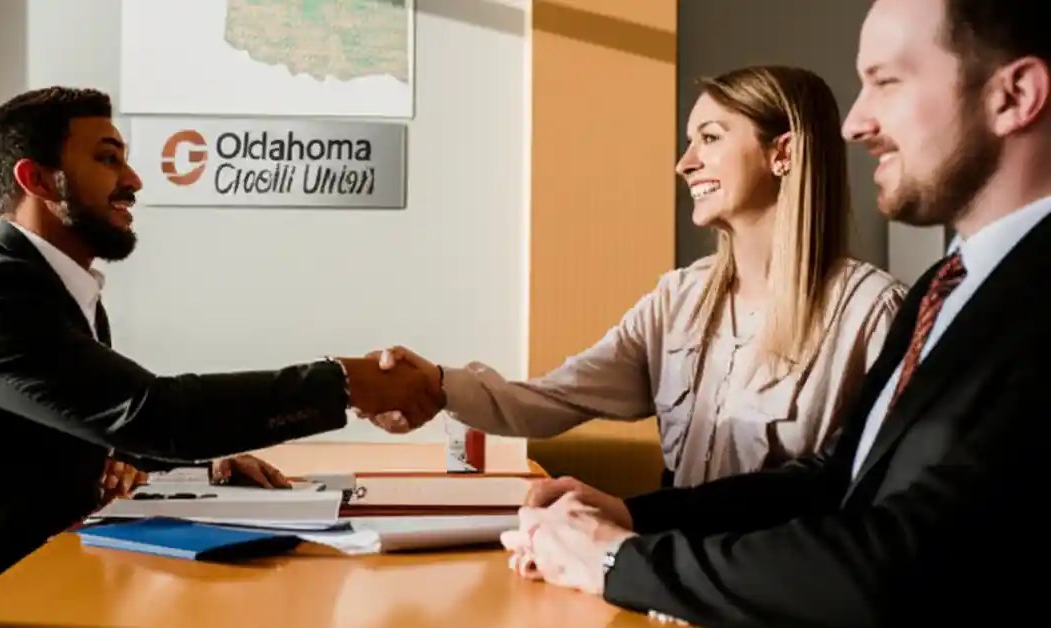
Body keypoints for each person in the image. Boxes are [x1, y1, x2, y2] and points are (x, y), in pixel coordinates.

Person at [0, 87, 444, 628]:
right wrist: (344, 381)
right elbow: (149, 414)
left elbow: (100, 418)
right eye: (108, 159)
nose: (133, 181)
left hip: (32, 614)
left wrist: (202, 462)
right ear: (36, 179)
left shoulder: (56, 293)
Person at [500, 0, 1048, 628]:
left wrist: (617, 562)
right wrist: (634, 517)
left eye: (886, 83)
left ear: (1015, 96)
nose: (853, 123)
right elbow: (832, 482)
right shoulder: (946, 290)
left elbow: (896, 570)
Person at [367, 65, 905, 490]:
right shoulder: (677, 301)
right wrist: (435, 384)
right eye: (690, 141)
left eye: (710, 138)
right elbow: (550, 400)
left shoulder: (873, 315)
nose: (685, 163)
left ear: (782, 153)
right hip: (665, 584)